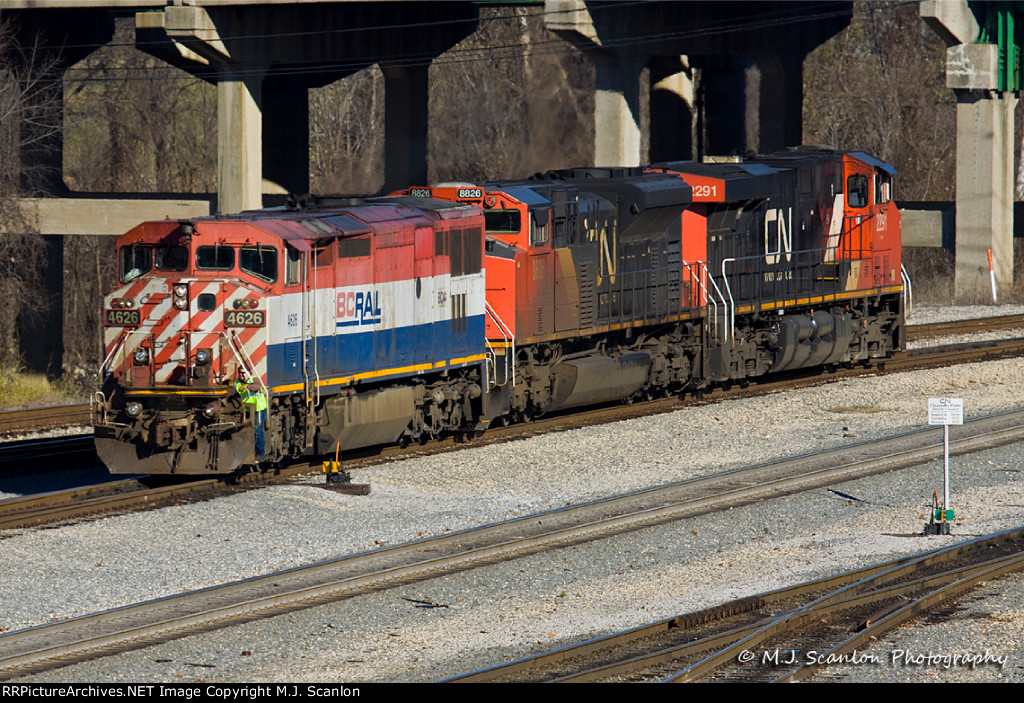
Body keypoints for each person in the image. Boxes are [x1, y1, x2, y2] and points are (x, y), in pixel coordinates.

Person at [236, 367, 268, 460]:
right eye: (240, 373)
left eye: (244, 373)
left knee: (257, 431)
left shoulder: (254, 379)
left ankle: (260, 454)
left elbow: (257, 386)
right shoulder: (237, 382)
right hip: (247, 410)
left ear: (248, 373)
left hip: (259, 409)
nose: (242, 375)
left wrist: (247, 386)